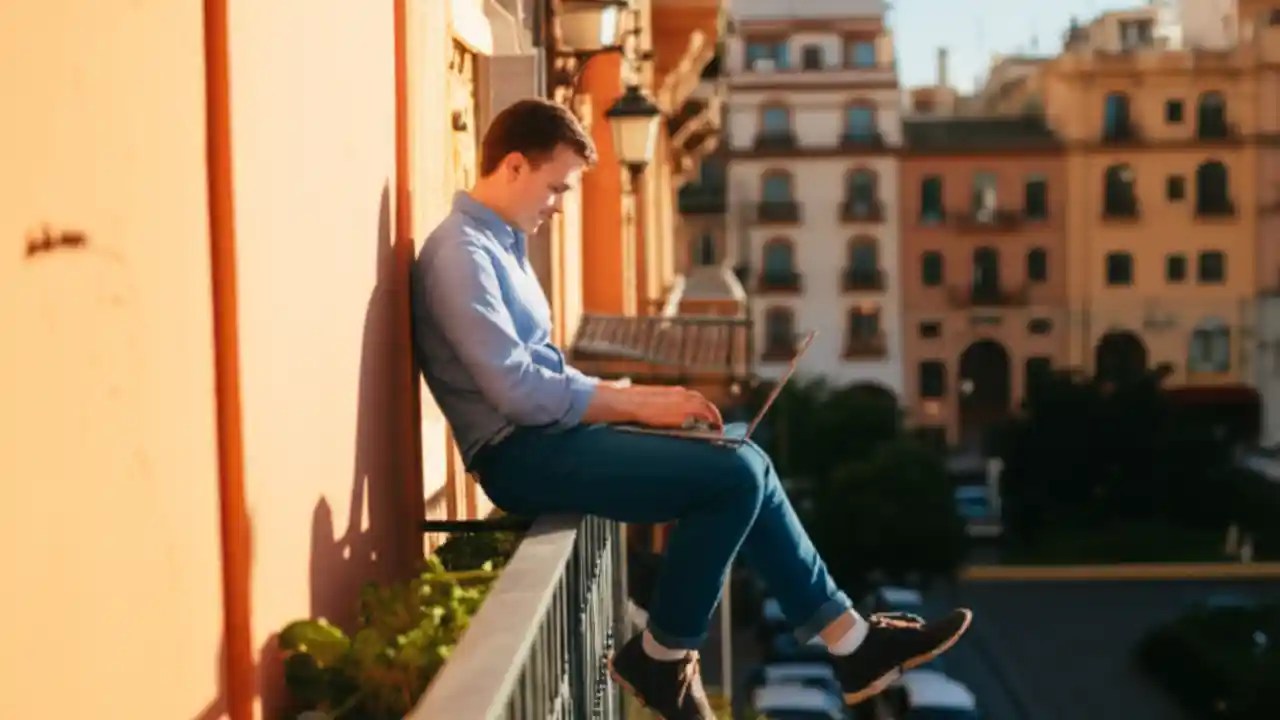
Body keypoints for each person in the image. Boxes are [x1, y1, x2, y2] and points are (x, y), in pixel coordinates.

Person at [411, 98, 972, 719]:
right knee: (731, 478)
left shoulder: (501, 244)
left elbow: (545, 374)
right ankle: (664, 656)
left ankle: (851, 642)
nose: (559, 204)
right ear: (514, 166)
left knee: (744, 453)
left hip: (549, 436)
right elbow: (516, 390)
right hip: (519, 455)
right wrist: (641, 401)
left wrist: (632, 401)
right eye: (556, 186)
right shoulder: (461, 255)